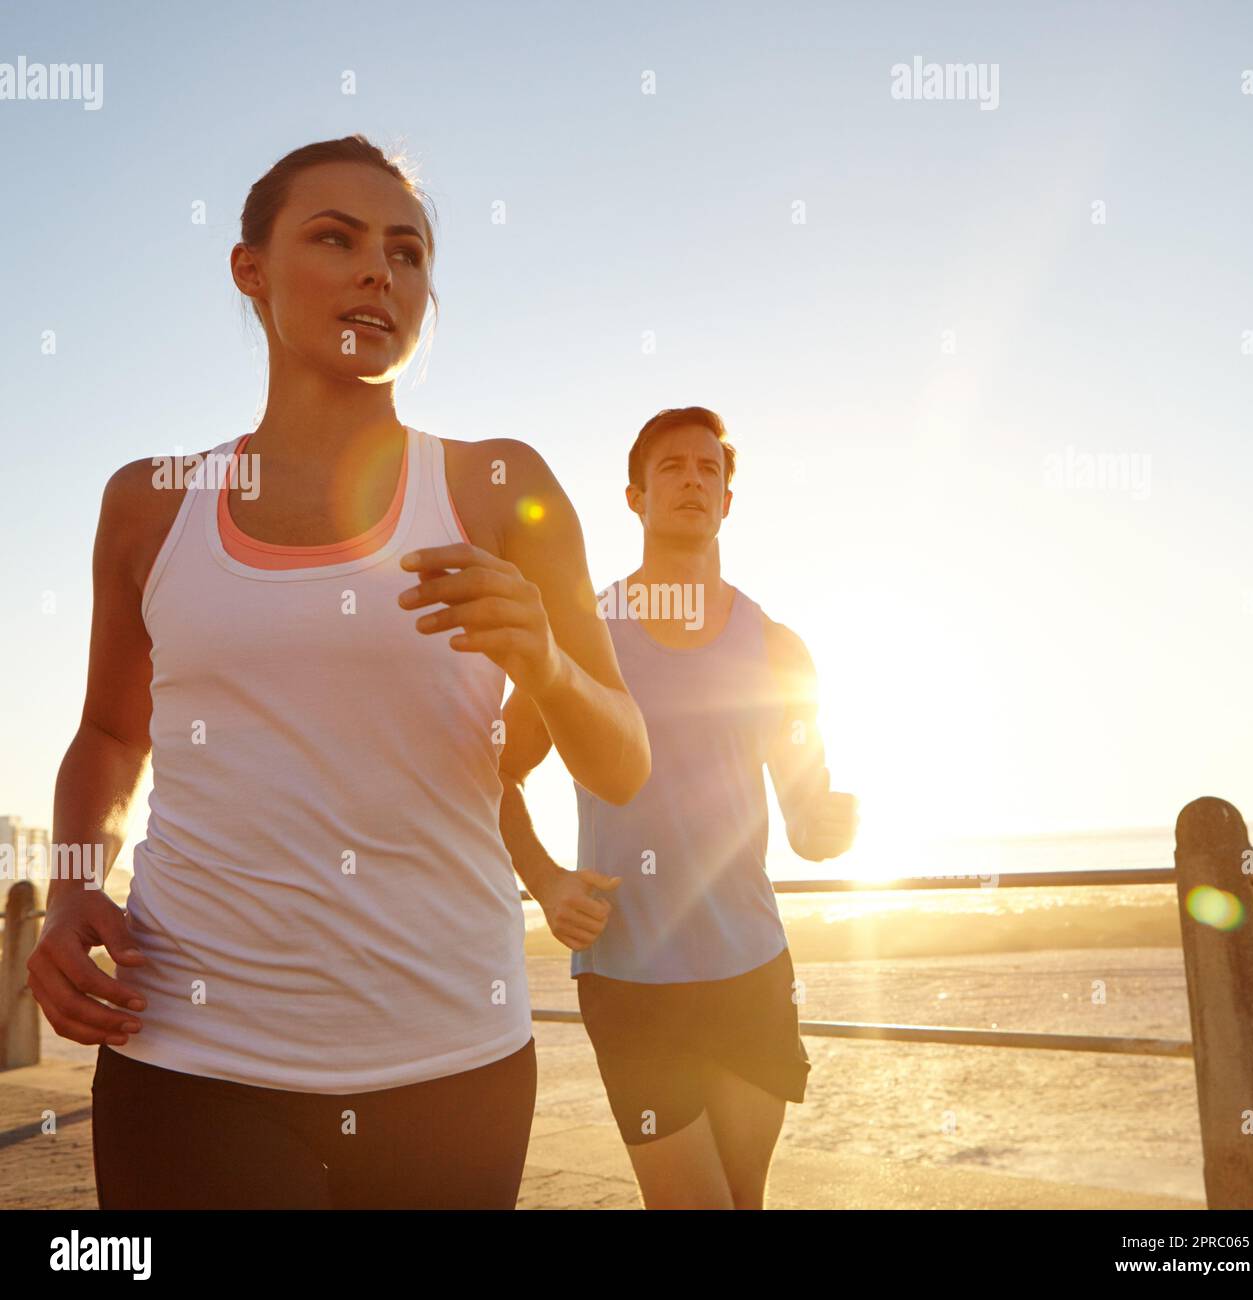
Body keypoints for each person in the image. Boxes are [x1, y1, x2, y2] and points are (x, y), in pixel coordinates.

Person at [26, 134, 649, 1210]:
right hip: (187, 1051)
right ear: (250, 271)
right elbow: (111, 734)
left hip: (449, 1061)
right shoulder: (150, 502)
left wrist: (543, 660)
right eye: (337, 238)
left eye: (409, 254)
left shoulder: (502, 485)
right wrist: (77, 879)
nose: (382, 272)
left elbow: (623, 759)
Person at [498, 406, 859, 1209]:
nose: (693, 481)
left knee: (740, 1201)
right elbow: (493, 771)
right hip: (629, 976)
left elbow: (806, 822)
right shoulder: (582, 633)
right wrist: (547, 880)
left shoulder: (778, 648)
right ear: (635, 496)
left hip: (752, 970)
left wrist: (831, 825)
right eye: (672, 468)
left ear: (728, 500)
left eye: (709, 471)